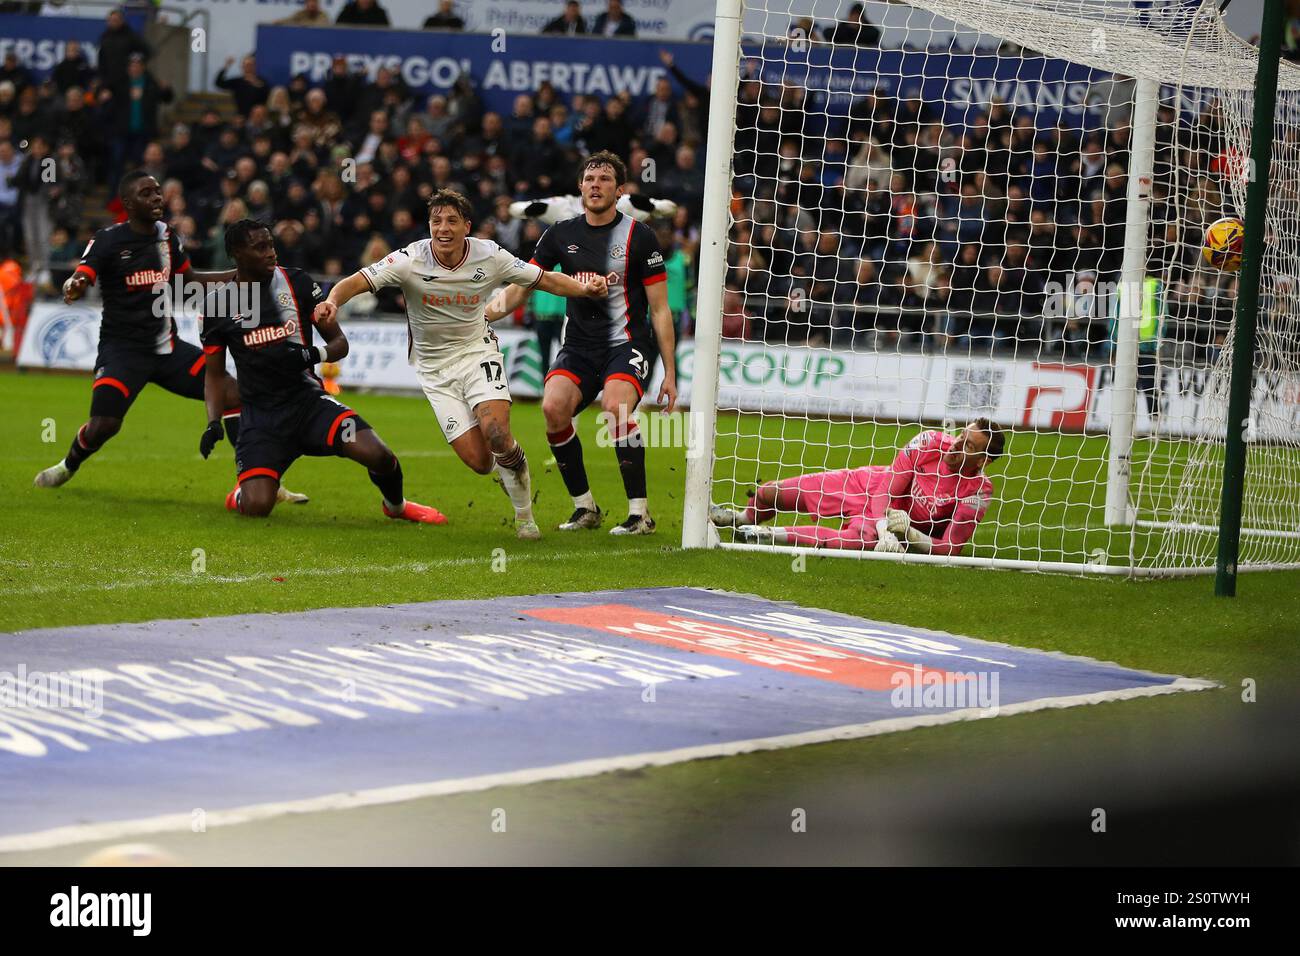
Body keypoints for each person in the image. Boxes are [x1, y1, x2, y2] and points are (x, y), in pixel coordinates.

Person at [318, 189, 608, 539]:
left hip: (476, 353)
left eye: (452, 221)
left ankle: (524, 518)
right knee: (481, 462)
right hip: (434, 370)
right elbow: (358, 281)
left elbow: (543, 279)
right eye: (436, 221)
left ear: (466, 226)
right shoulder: (410, 258)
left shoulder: (489, 255)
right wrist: (333, 300)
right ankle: (509, 466)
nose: (443, 228)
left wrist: (585, 289)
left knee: (497, 434)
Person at [33, 171, 305, 504]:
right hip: (123, 352)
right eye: (147, 193)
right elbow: (82, 274)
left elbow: (188, 281)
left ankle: (258, 482)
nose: (157, 198)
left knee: (233, 394)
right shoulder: (108, 239)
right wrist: (73, 285)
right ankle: (67, 466)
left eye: (158, 191)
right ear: (128, 203)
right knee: (104, 424)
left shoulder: (166, 236)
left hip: (168, 349)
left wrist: (239, 276)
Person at [487, 151, 678, 535]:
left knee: (615, 407)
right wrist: (484, 316)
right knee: (553, 408)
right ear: (580, 187)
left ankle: (640, 514)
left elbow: (660, 309)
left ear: (620, 190)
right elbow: (524, 285)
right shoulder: (560, 234)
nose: (596, 185)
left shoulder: (640, 236)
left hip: (627, 343)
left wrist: (670, 374)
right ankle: (585, 508)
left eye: (605, 179)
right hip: (578, 346)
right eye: (590, 179)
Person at [199, 220, 441, 522]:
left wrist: (311, 354)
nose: (271, 252)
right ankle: (241, 494)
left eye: (271, 245)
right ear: (237, 253)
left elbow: (340, 343)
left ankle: (397, 507)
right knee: (257, 506)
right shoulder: (217, 305)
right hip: (262, 420)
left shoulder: (297, 283)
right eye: (260, 247)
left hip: (309, 405)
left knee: (378, 455)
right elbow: (215, 374)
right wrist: (213, 421)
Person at [711, 420, 1005, 554]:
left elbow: (950, 548)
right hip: (868, 485)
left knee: (857, 541)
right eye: (961, 435)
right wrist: (884, 527)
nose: (956, 445)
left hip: (891, 521)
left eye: (968, 446)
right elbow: (888, 488)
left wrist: (908, 534)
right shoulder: (929, 442)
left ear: (983, 461)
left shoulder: (978, 491)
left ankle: (764, 535)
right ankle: (743, 518)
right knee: (771, 493)